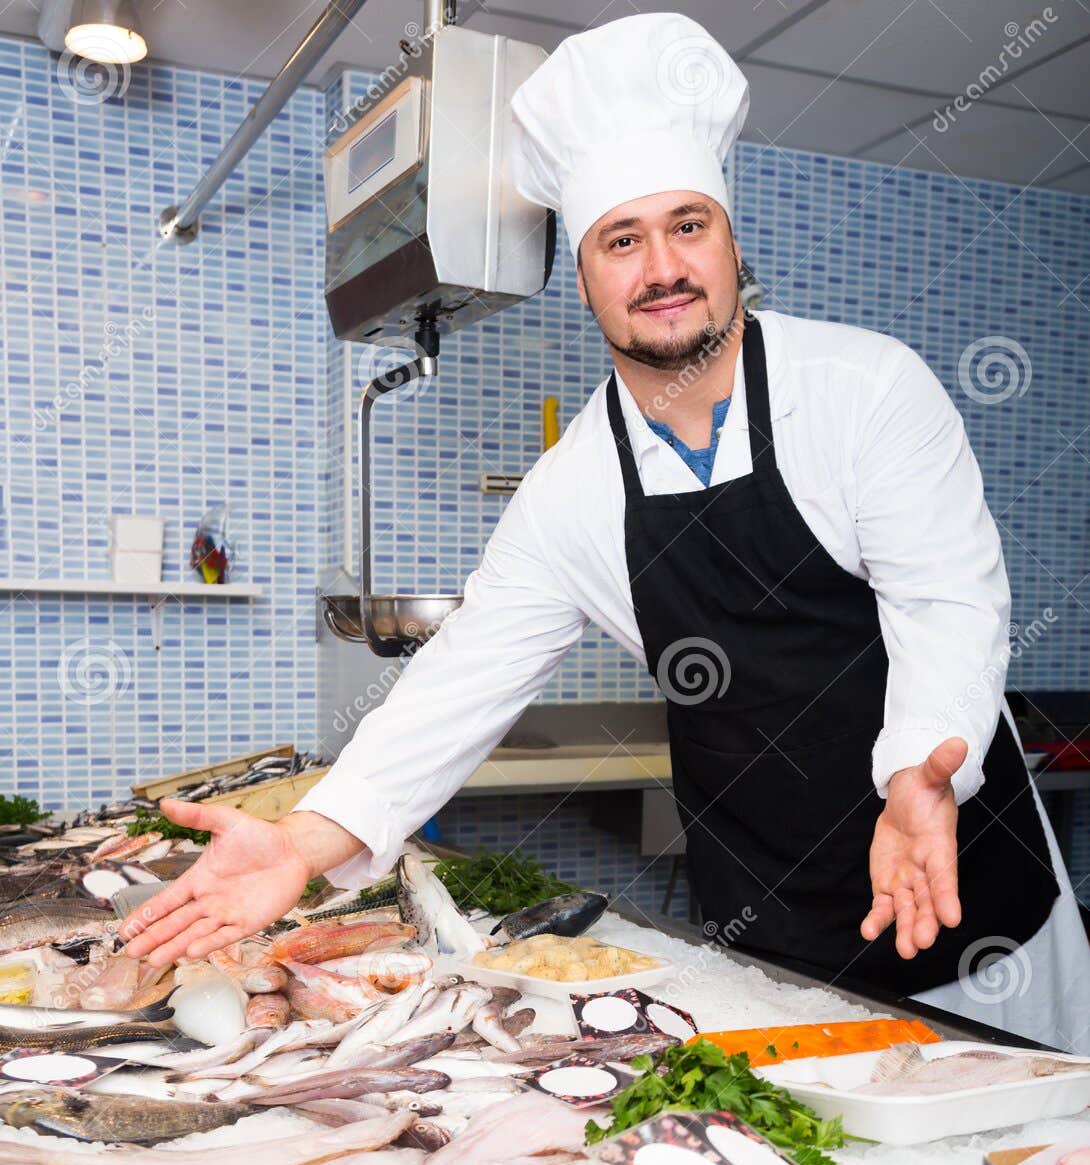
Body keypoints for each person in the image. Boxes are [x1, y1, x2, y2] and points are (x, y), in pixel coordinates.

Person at [122, 12, 1090, 1051]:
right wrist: (306, 840)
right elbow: (463, 674)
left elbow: (946, 603)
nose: (661, 266)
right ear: (583, 276)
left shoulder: (863, 388)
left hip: (970, 902)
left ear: (727, 238)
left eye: (688, 225)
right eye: (620, 240)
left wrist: (914, 774)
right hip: (770, 921)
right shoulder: (571, 490)